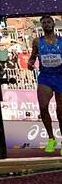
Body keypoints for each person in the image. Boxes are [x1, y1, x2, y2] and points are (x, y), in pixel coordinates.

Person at [28, 16, 62, 155]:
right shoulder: (37, 41)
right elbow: (32, 57)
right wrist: (30, 64)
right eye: (44, 23)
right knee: (43, 108)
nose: (47, 24)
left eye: (49, 22)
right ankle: (51, 139)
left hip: (60, 77)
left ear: (53, 24)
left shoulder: (61, 41)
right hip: (45, 78)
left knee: (61, 113)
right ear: (41, 26)